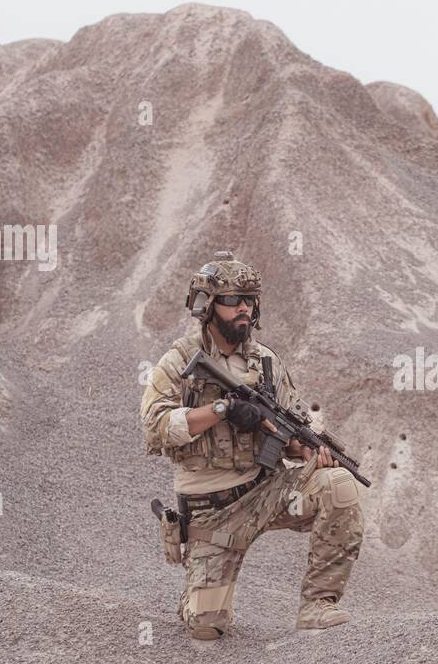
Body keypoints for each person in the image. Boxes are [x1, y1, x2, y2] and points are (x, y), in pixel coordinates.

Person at [141, 251, 363, 639]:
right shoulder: (178, 362)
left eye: (250, 300)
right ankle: (195, 598)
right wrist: (223, 408)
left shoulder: (267, 364)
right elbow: (156, 428)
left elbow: (293, 432)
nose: (243, 308)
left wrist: (307, 452)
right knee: (207, 628)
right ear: (208, 306)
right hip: (211, 513)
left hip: (266, 493)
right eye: (232, 300)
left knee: (339, 484)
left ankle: (318, 604)